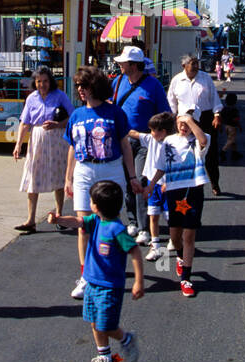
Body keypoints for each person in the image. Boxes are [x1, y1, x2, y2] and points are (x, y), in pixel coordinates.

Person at [47, 180, 143, 362]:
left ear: (97, 206)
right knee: (94, 322)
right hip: (91, 283)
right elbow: (76, 222)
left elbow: (134, 251)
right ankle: (105, 358)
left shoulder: (117, 230)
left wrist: (138, 281)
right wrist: (58, 220)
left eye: (91, 200)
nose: (89, 203)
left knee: (105, 326)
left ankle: (126, 339)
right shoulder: (96, 220)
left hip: (110, 287)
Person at [64, 67, 141, 300]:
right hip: (84, 168)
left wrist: (132, 176)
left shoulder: (115, 113)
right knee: (83, 224)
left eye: (84, 85)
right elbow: (71, 147)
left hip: (111, 167)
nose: (80, 90)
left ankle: (111, 266)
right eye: (78, 86)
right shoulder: (76, 115)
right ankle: (86, 276)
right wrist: (68, 177)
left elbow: (125, 145)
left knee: (111, 223)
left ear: (94, 87)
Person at [142, 110, 209, 297]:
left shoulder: (198, 139)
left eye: (187, 123)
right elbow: (161, 167)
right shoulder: (169, 141)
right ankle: (180, 257)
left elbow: (203, 142)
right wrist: (151, 186)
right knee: (175, 236)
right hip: (174, 191)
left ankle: (186, 278)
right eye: (180, 122)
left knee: (189, 236)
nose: (183, 126)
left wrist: (190, 120)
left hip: (193, 190)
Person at [109, 45, 170, 244]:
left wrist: (159, 136)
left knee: (140, 181)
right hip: (123, 140)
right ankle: (133, 221)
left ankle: (145, 227)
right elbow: (111, 102)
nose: (119, 65)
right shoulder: (118, 82)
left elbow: (165, 114)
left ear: (133, 65)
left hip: (144, 142)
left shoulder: (154, 85)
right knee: (127, 182)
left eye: (123, 63)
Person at [12, 66, 73, 233]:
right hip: (37, 139)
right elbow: (24, 122)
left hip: (56, 139)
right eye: (39, 81)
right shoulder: (32, 98)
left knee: (59, 177)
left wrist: (59, 124)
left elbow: (72, 116)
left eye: (45, 81)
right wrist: (18, 144)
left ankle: (60, 214)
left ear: (50, 81)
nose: (42, 85)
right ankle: (31, 220)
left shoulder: (60, 96)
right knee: (33, 177)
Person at [167, 53, 223, 195]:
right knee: (185, 152)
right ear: (184, 66)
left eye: (197, 63)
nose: (196, 66)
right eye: (193, 63)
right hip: (184, 120)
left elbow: (214, 98)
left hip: (204, 117)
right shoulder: (177, 80)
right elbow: (171, 101)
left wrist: (217, 115)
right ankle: (186, 184)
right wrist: (174, 118)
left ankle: (215, 183)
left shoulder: (205, 78)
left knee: (210, 152)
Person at [219, 90, 242, 162]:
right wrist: (239, 126)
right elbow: (236, 119)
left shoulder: (224, 109)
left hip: (226, 126)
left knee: (233, 140)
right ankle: (223, 151)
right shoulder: (234, 109)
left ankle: (234, 152)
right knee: (231, 140)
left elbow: (221, 116)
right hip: (233, 126)